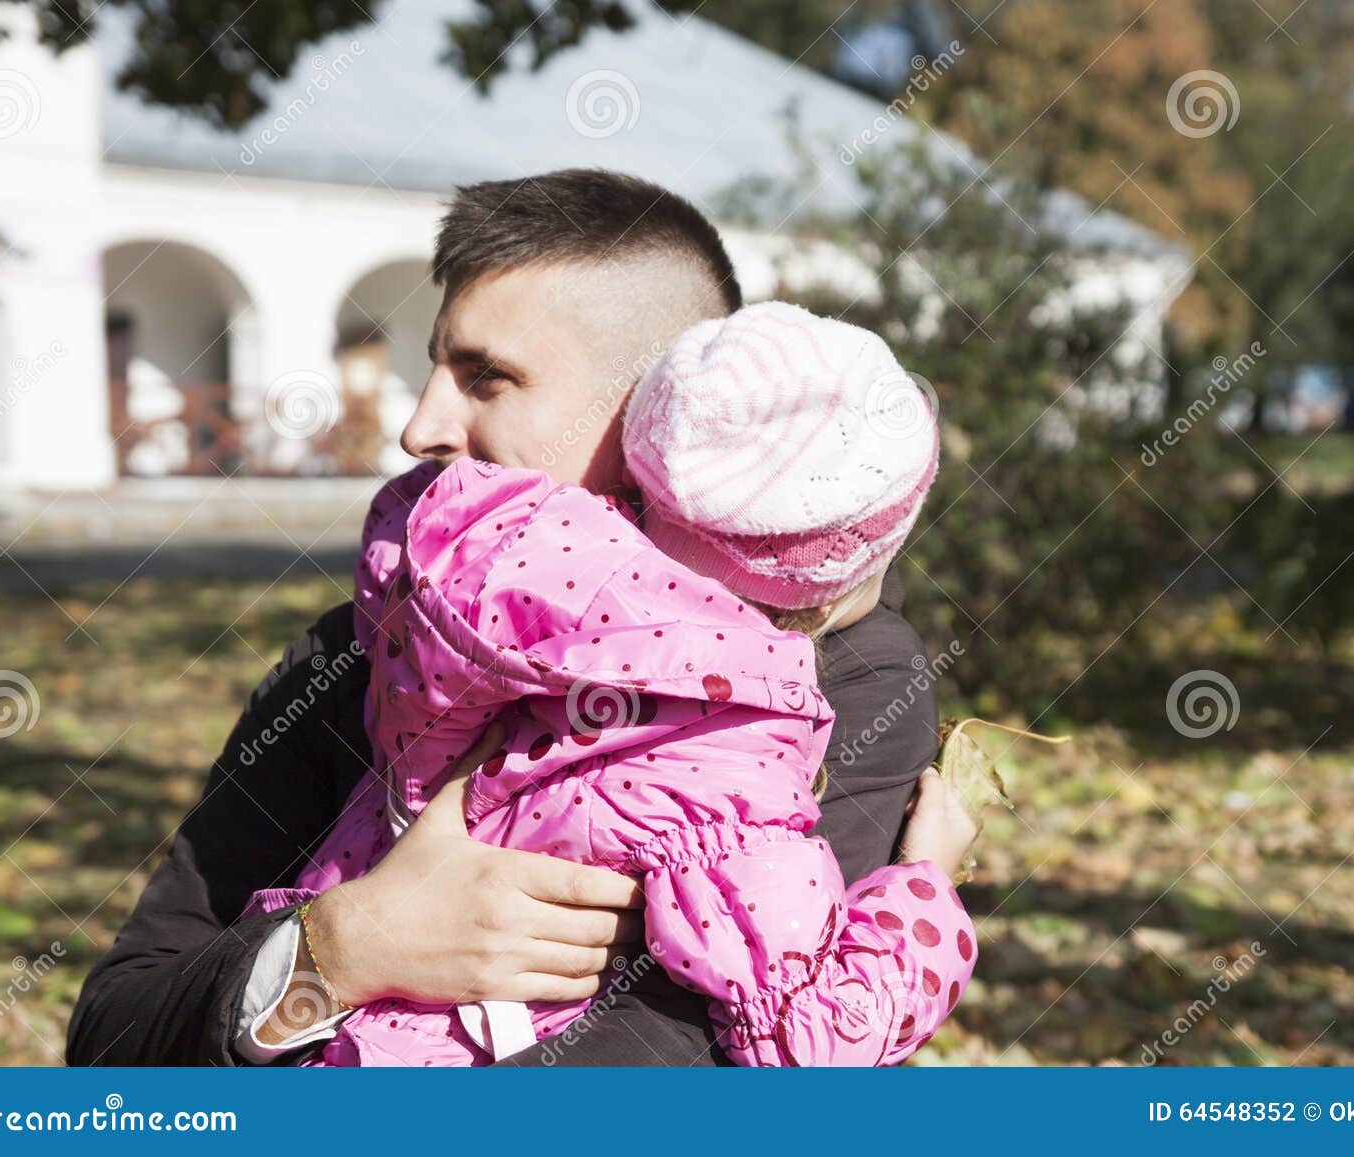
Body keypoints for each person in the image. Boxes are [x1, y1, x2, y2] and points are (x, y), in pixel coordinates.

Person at [66, 170, 976, 1067]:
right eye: (435, 364)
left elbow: (689, 1066)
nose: (419, 425)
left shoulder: (814, 689)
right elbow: (116, 1034)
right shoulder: (353, 653)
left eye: (487, 377)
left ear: (657, 422)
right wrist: (338, 950)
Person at [241, 302, 975, 1066]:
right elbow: (807, 1042)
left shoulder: (489, 576)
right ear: (826, 588)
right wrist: (925, 888)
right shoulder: (733, 738)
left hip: (317, 1023)